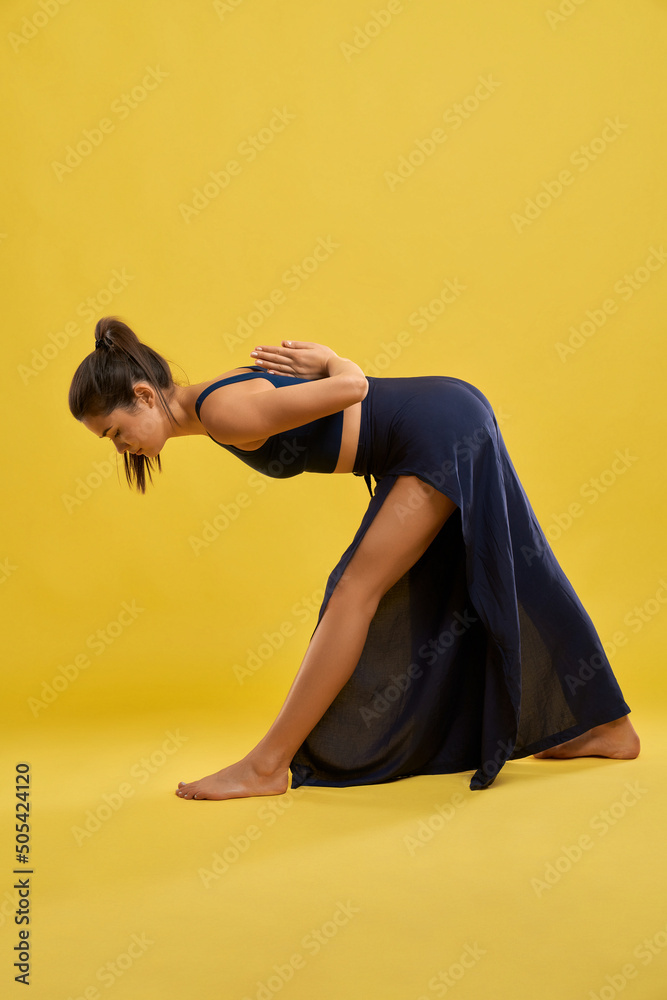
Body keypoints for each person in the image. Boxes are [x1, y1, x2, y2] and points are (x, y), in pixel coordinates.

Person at [69, 317, 640, 801]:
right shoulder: (214, 402)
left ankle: (266, 766)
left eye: (116, 433)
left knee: (353, 593)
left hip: (438, 431)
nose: (122, 449)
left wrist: (334, 361)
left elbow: (353, 390)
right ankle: (605, 725)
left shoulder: (224, 413)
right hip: (443, 418)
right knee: (503, 565)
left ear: (144, 396)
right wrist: (331, 367)